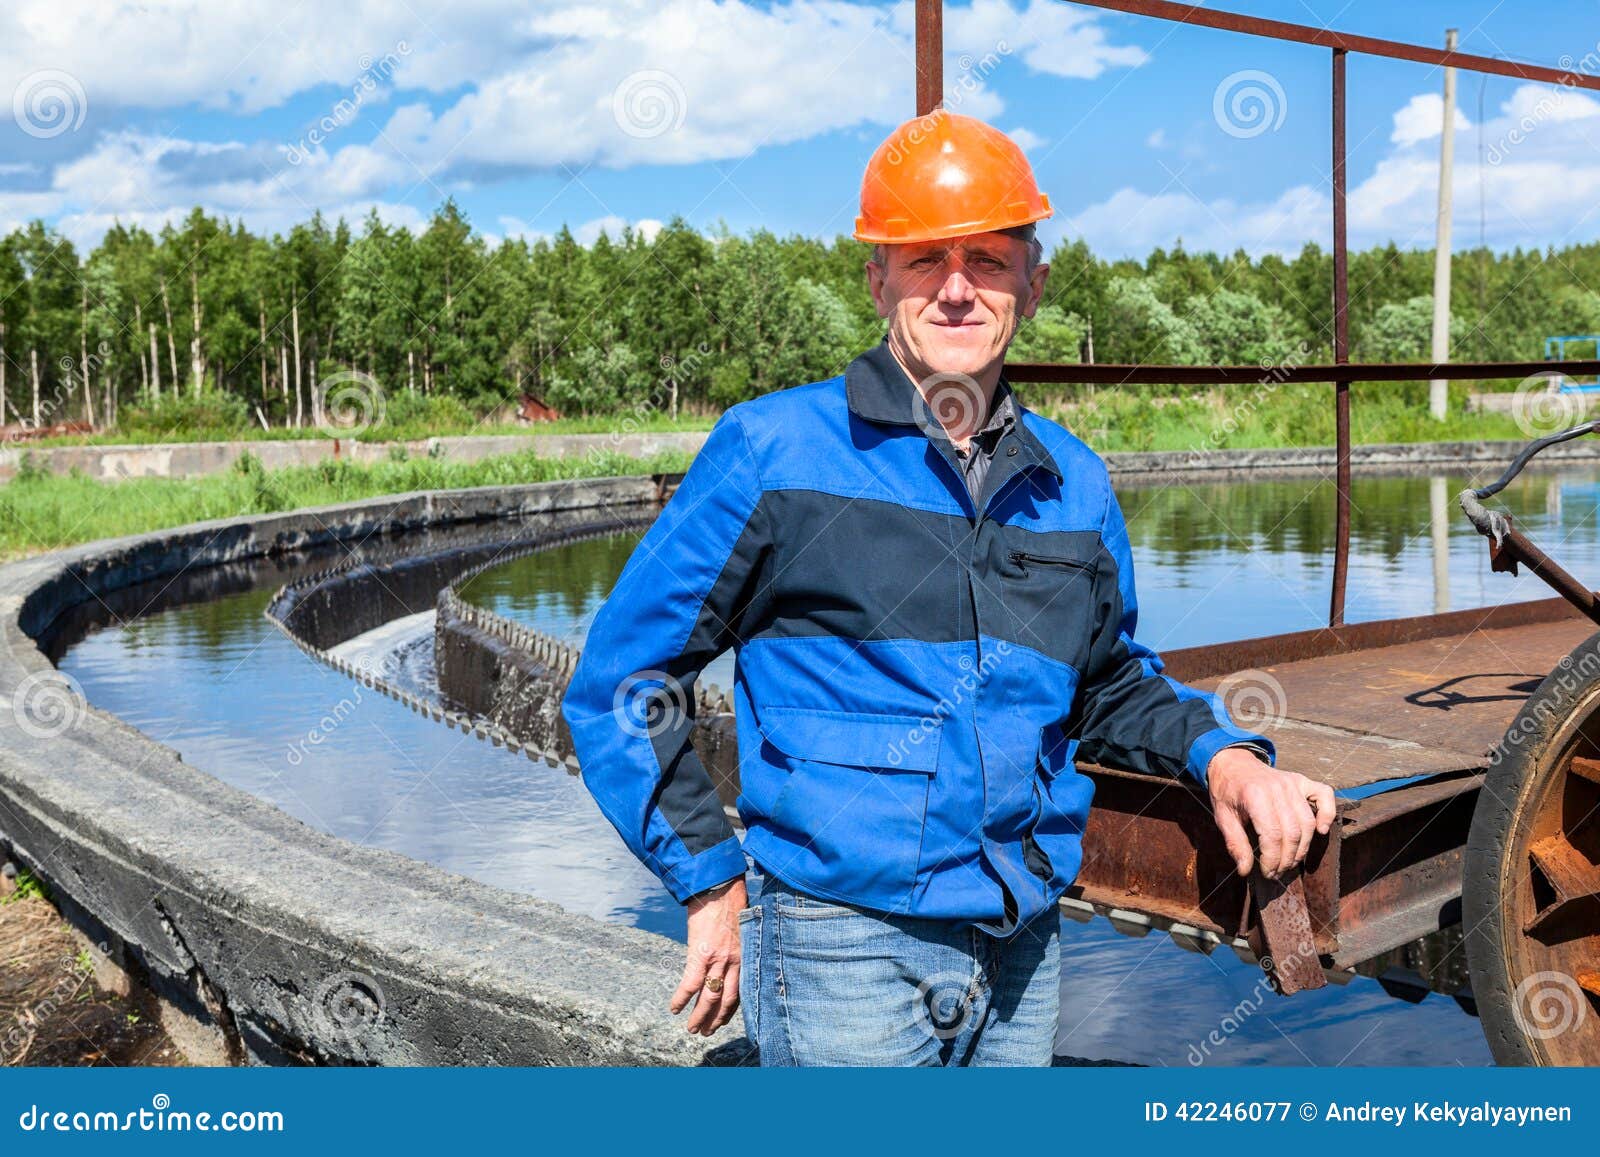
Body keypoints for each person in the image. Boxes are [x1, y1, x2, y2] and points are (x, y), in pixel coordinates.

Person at [560, 109, 1336, 1066]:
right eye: (925, 259)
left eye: (989, 259)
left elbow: (1108, 683)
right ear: (876, 276)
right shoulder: (775, 453)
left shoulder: (1072, 483)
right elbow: (620, 684)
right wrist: (708, 880)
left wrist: (1227, 757)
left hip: (1023, 949)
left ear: (1034, 285)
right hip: (842, 945)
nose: (958, 289)